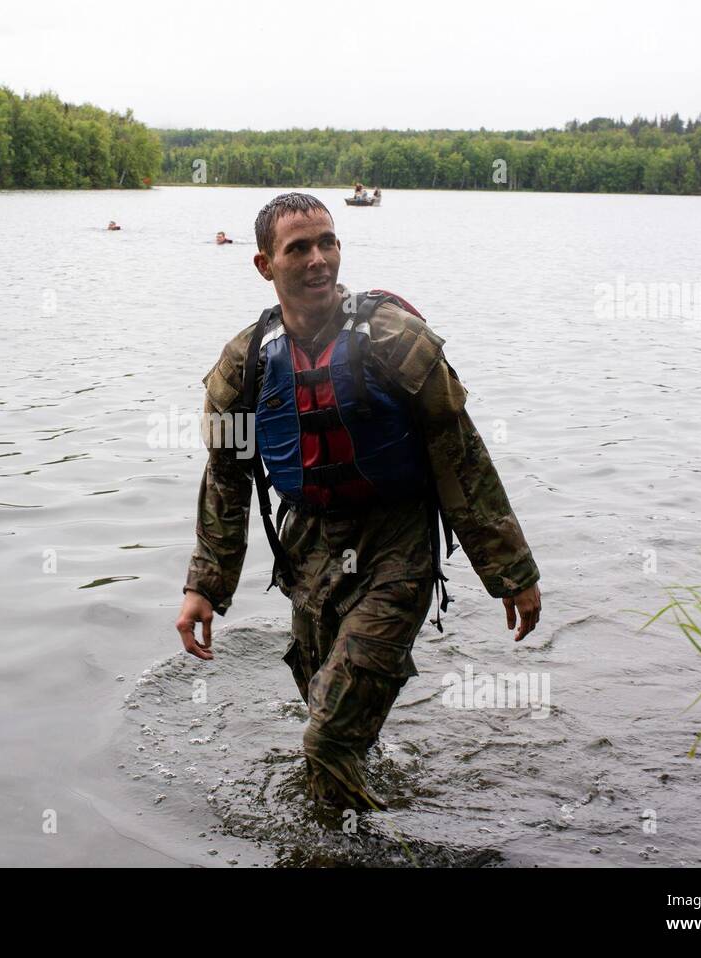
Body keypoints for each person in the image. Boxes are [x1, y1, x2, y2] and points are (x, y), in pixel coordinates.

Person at [174, 192, 542, 812]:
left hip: (397, 544)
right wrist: (204, 587)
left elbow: (463, 461)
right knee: (326, 702)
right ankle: (346, 830)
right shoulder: (245, 366)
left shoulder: (397, 341)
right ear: (265, 265)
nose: (319, 260)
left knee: (325, 740)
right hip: (309, 549)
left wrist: (511, 574)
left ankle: (343, 840)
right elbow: (227, 480)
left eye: (328, 242)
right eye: (299, 249)